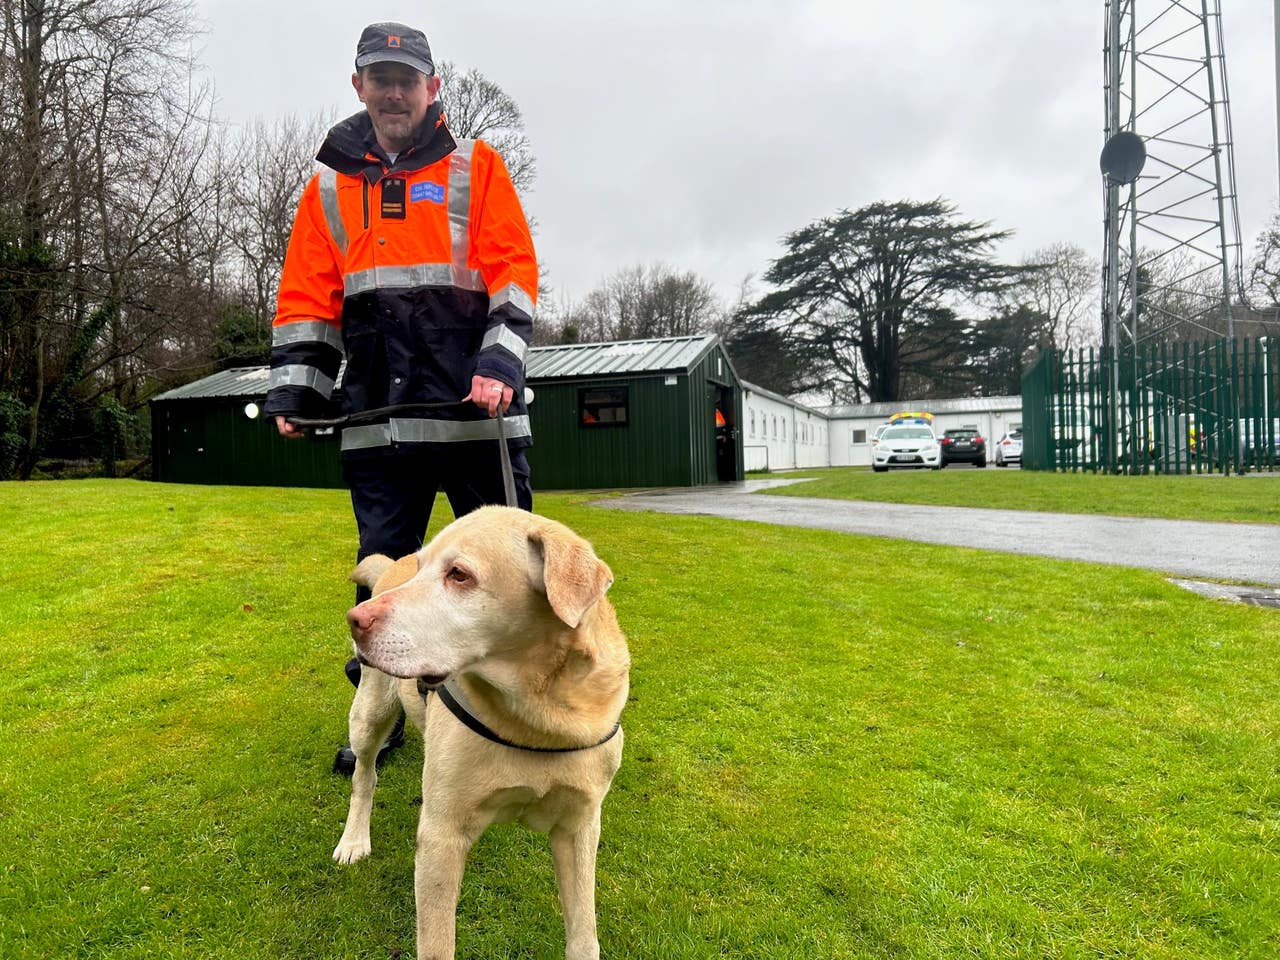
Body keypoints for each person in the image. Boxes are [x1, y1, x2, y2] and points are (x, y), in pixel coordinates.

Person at [263, 21, 537, 775]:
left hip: (476, 418)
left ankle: (527, 712)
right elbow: (308, 301)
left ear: (431, 88)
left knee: (512, 576)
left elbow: (514, 275)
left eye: (406, 80)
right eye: (380, 78)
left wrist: (497, 365)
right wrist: (296, 388)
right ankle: (378, 721)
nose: (393, 92)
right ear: (359, 86)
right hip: (379, 427)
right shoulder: (327, 188)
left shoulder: (476, 167)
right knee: (384, 574)